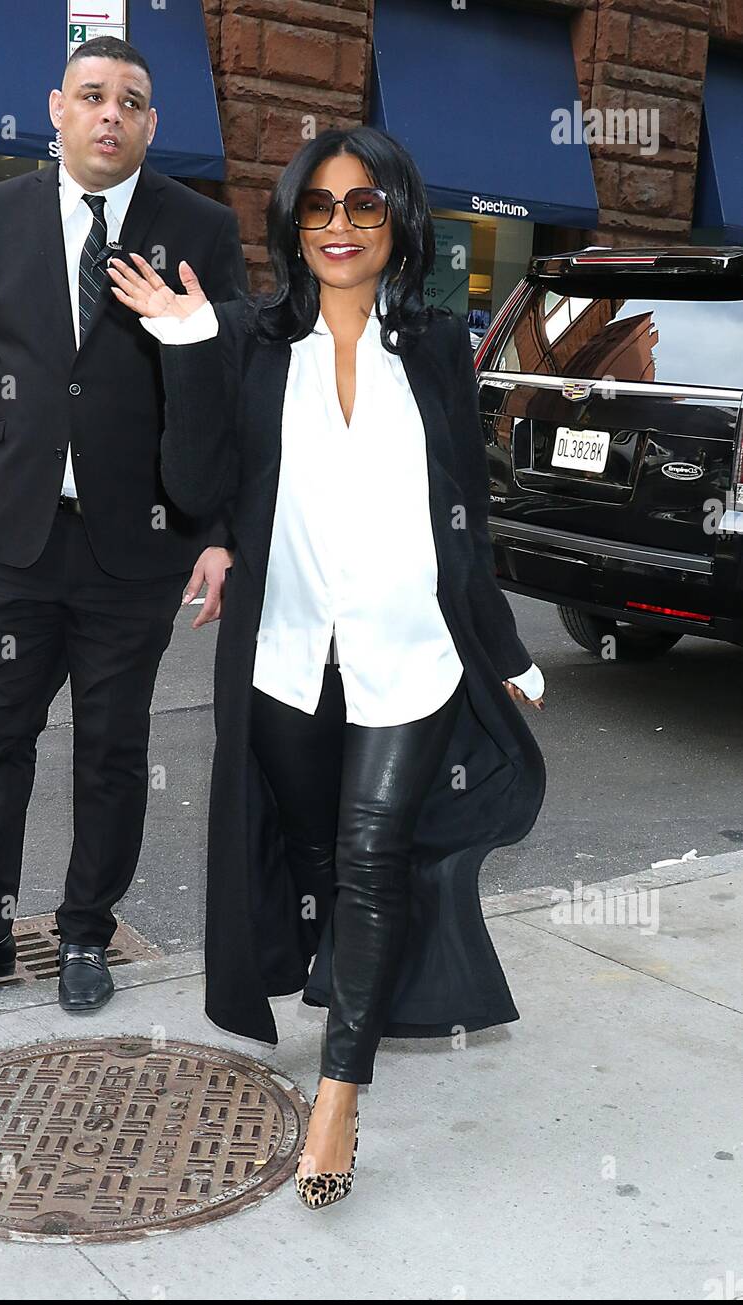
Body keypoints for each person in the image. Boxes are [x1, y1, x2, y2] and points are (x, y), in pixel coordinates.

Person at [108, 125, 547, 1207]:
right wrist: (182, 345)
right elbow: (196, 474)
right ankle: (343, 966)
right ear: (292, 223)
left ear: (396, 221)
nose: (338, 227)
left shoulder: (439, 345)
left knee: (366, 855)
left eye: (361, 206)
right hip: (290, 655)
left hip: (407, 652)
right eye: (317, 207)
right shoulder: (251, 337)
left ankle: (338, 1097)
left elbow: (462, 518)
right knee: (310, 847)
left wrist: (496, 644)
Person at [0, 37, 246, 1011]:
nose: (109, 115)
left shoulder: (201, 230)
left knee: (112, 745)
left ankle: (86, 931)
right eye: (91, 96)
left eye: (130, 102)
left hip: (135, 546)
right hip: (15, 536)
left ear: (150, 124)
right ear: (56, 107)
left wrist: (216, 531)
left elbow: (223, 395)